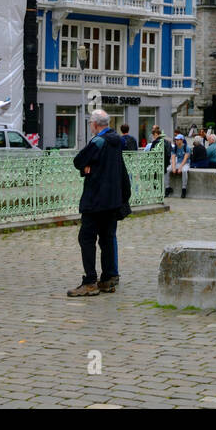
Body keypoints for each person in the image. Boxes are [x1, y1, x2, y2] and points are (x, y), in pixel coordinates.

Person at [68, 110, 130, 297]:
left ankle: (90, 281)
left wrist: (87, 167)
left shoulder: (97, 142)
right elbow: (117, 169)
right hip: (113, 200)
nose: (90, 127)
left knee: (86, 238)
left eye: (90, 124)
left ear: (95, 124)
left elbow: (78, 161)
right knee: (107, 239)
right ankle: (109, 278)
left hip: (95, 199)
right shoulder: (117, 141)